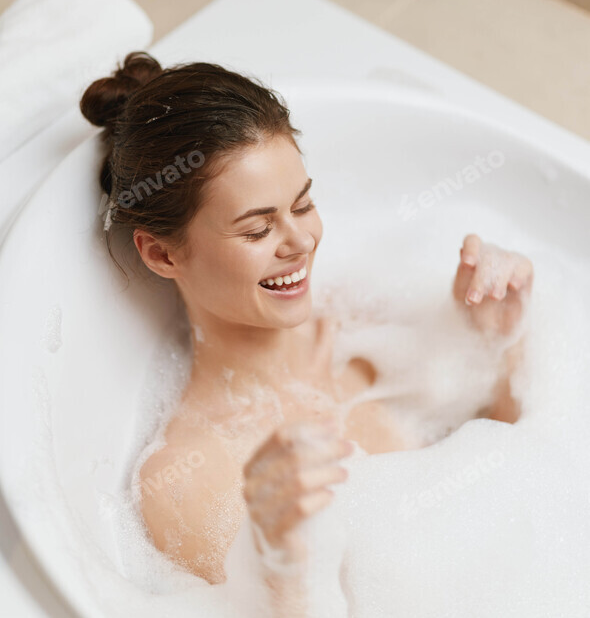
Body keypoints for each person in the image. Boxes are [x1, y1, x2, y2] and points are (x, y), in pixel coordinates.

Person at [80, 51, 534, 615]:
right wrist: (278, 559)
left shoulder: (369, 324)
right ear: (162, 253)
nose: (299, 241)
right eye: (258, 228)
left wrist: (499, 344)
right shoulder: (186, 477)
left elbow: (517, 471)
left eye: (304, 205)